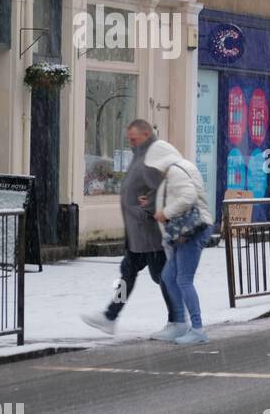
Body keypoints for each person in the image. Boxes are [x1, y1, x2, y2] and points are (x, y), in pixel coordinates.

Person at [80, 119, 179, 337]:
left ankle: (178, 319)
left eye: (134, 138)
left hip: (150, 234)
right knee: (128, 274)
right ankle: (110, 316)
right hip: (136, 233)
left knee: (162, 277)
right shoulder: (139, 155)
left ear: (146, 134)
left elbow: (164, 188)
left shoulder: (151, 158)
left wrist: (148, 208)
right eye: (129, 139)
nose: (130, 142)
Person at [145, 138, 215, 345]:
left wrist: (164, 213)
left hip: (192, 230)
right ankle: (179, 324)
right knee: (168, 276)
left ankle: (197, 328)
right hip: (190, 230)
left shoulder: (175, 171)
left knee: (183, 279)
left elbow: (187, 197)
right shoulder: (183, 166)